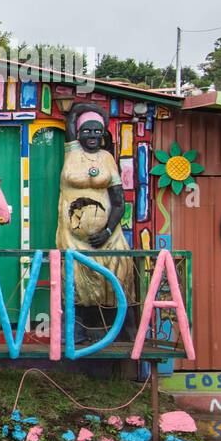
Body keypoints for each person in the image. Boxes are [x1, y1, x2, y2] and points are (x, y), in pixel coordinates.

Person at [57, 103, 133, 337]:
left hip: (108, 235)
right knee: (76, 278)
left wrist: (108, 231)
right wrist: (88, 107)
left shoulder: (107, 158)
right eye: (87, 131)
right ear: (78, 134)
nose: (92, 135)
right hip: (73, 235)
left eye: (97, 131)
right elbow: (71, 119)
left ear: (103, 134)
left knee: (120, 272)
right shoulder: (71, 151)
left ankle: (124, 327)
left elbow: (119, 201)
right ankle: (76, 329)